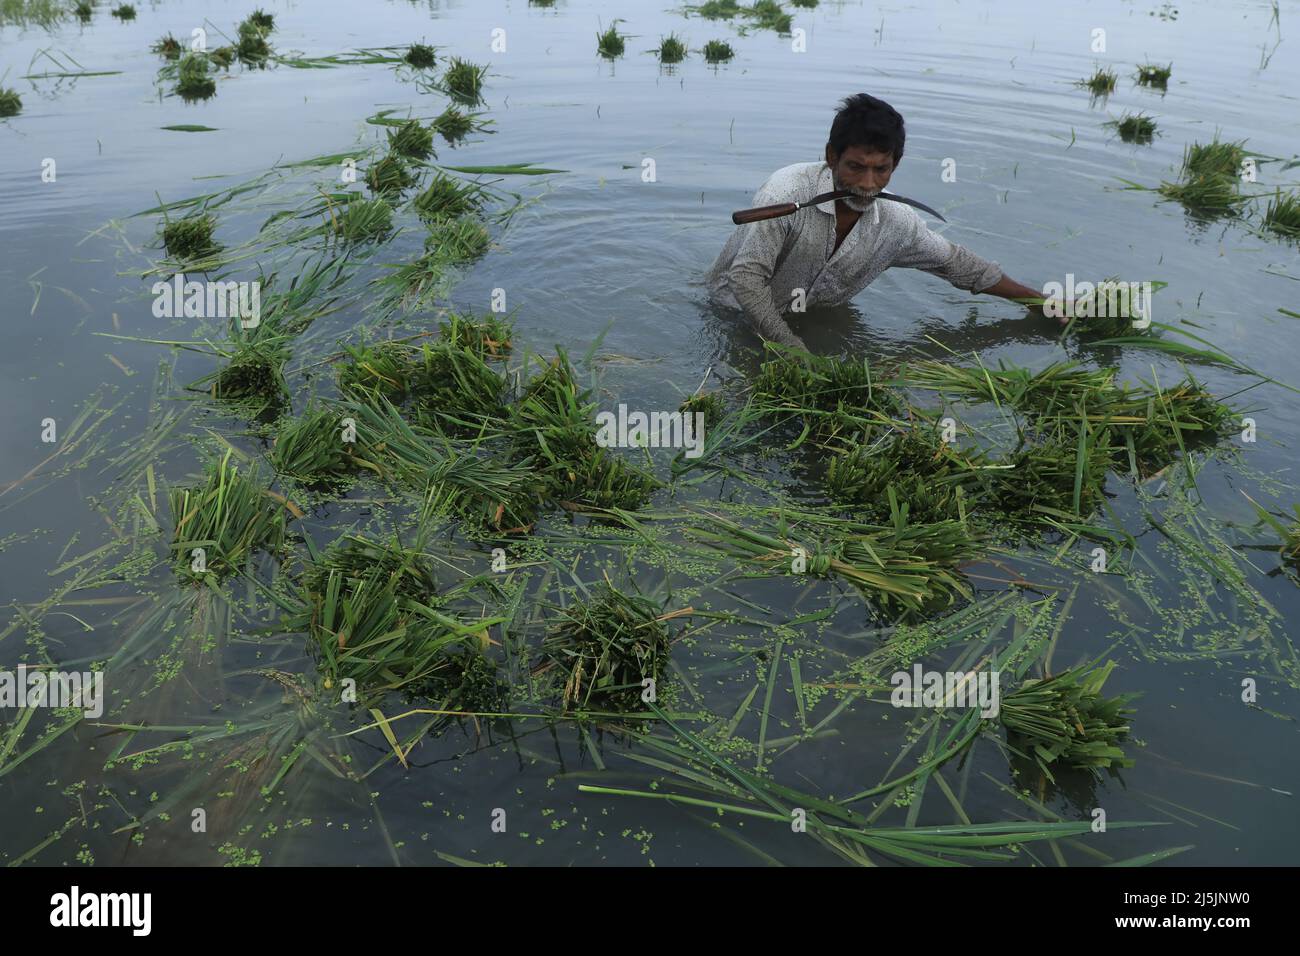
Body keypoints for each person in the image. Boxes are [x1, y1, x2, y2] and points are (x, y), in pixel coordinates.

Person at [707, 93, 1055, 351]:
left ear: (895, 164)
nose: (868, 184)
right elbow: (746, 278)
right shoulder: (786, 193)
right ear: (832, 156)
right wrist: (792, 348)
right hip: (731, 314)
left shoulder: (896, 223)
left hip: (807, 317)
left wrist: (1039, 302)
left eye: (881, 170)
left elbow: (958, 265)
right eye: (856, 167)